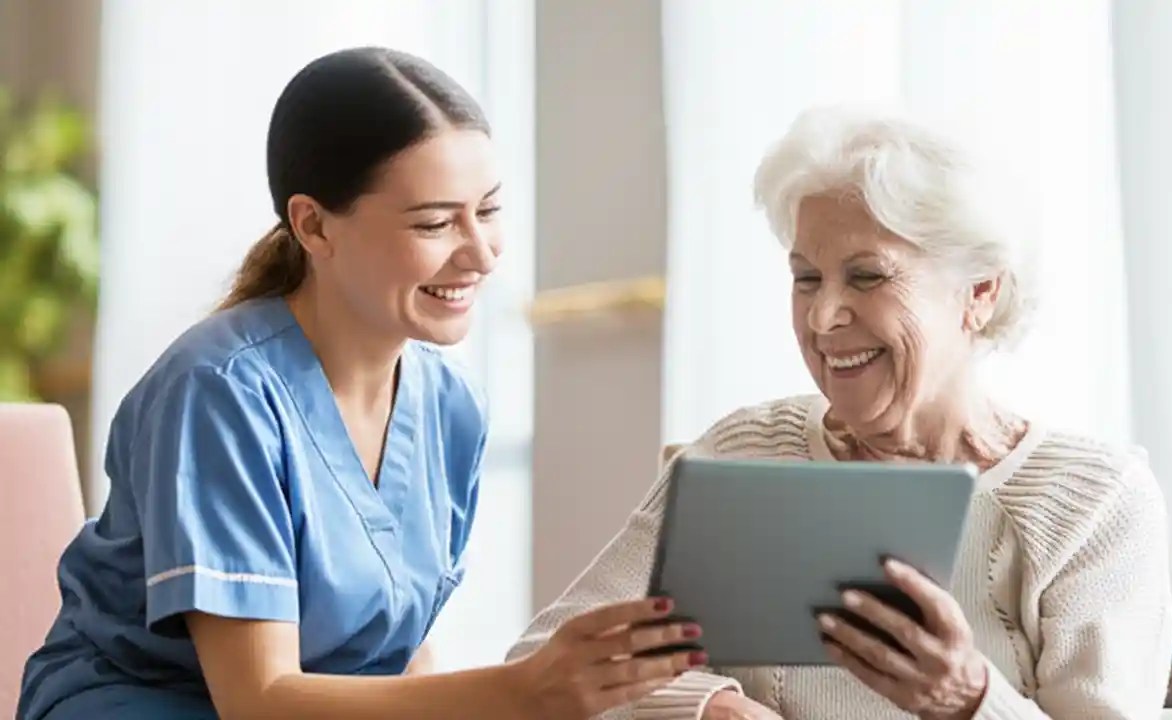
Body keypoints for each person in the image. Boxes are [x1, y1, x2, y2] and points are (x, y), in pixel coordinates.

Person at [18, 47, 705, 720]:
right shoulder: (220, 393)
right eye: (435, 222)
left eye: (488, 211)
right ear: (314, 225)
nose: (481, 252)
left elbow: (397, 656)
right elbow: (258, 701)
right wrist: (521, 694)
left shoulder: (449, 405)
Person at [507, 109, 1172, 719]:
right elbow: (544, 664)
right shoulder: (744, 450)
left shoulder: (1095, 502)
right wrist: (710, 706)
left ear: (978, 292)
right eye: (806, 279)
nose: (824, 318)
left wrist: (971, 700)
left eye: (867, 277)